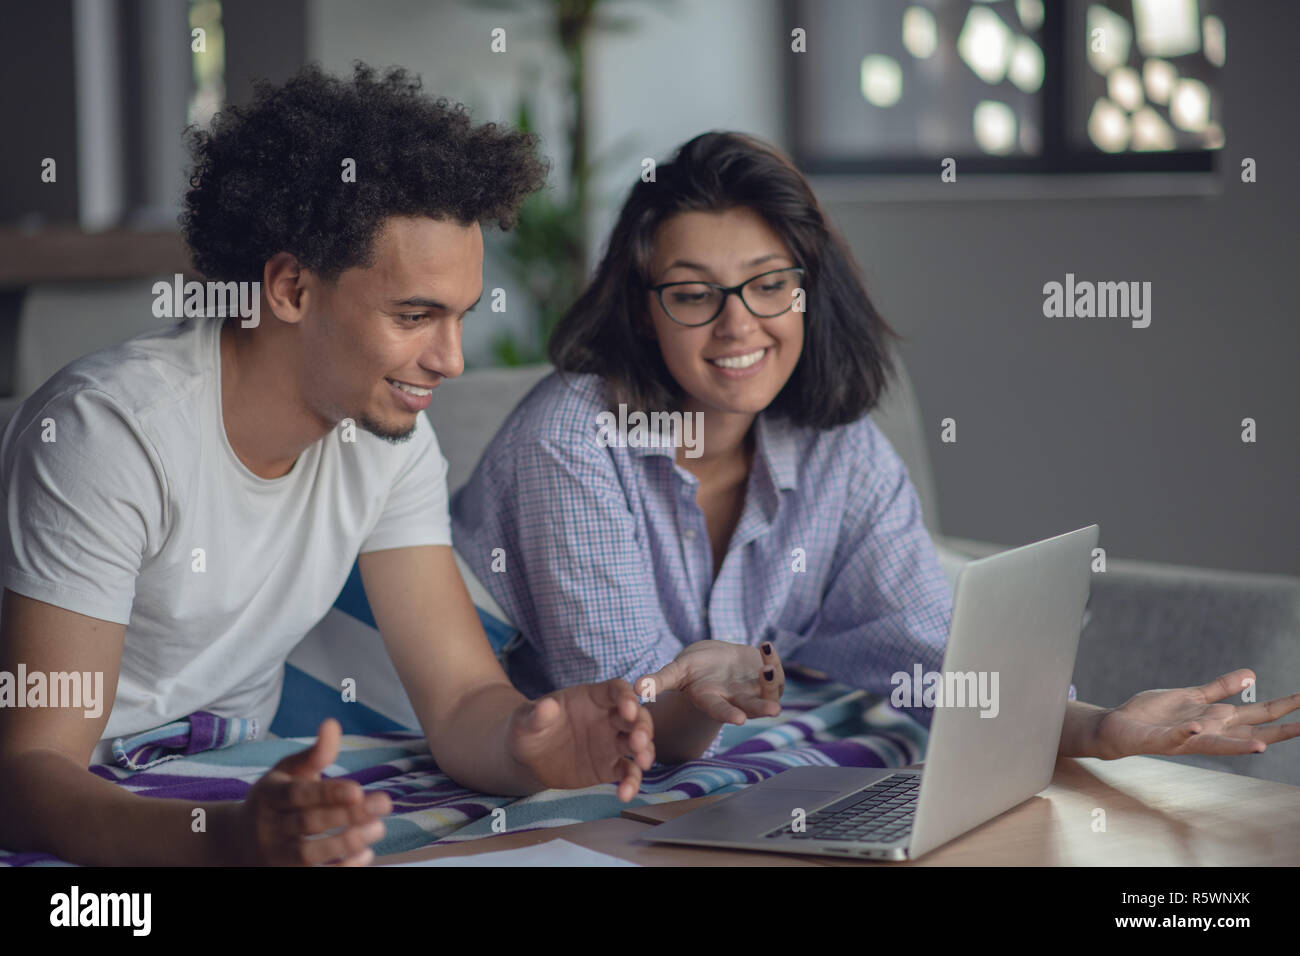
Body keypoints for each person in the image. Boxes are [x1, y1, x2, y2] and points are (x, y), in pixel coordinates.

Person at [450, 130, 1300, 766]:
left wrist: (1096, 729)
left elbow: (933, 661)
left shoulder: (838, 454)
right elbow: (628, 723)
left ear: (808, 289)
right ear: (643, 308)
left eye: (769, 283)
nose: (738, 323)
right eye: (693, 294)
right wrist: (710, 695)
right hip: (497, 764)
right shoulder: (572, 442)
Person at [0, 63, 654, 868]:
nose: (449, 360)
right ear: (289, 287)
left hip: (225, 779)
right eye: (415, 316)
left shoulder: (389, 442)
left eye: (459, 318)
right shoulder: (111, 433)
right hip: (97, 811)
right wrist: (226, 841)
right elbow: (28, 773)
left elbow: (459, 704)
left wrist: (531, 743)